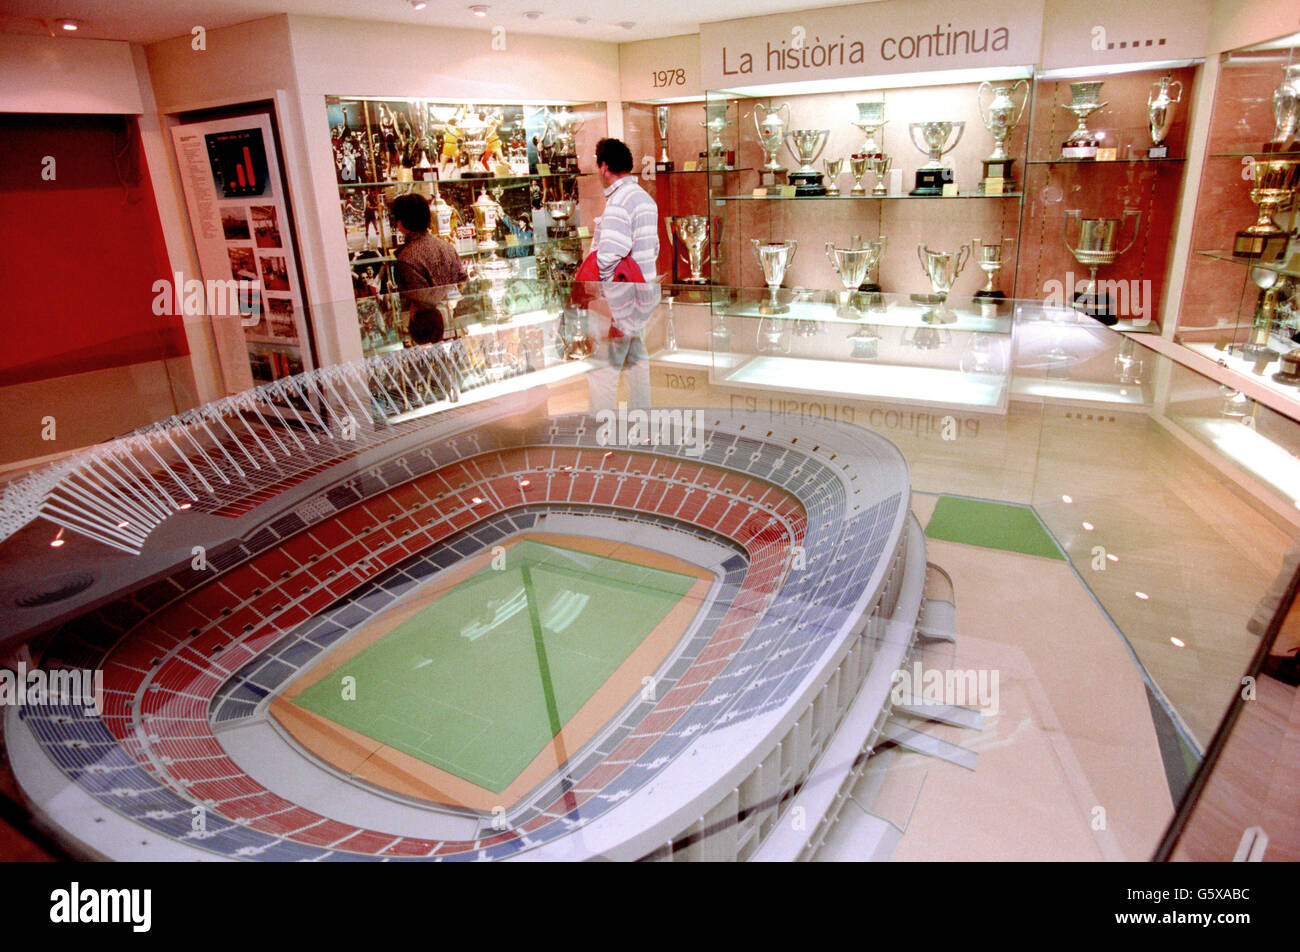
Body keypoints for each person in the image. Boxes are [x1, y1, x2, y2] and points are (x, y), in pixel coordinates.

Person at [588, 138, 659, 412]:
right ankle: (643, 426)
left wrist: (615, 312)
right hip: (643, 297)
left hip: (621, 302)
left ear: (604, 166)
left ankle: (601, 437)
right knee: (637, 362)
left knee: (602, 371)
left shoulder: (618, 203)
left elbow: (608, 259)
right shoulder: (645, 199)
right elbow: (653, 248)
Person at [391, 192, 467, 345]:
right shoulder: (446, 247)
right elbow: (462, 281)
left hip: (427, 324)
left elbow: (421, 299)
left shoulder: (406, 258)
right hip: (446, 320)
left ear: (401, 224)